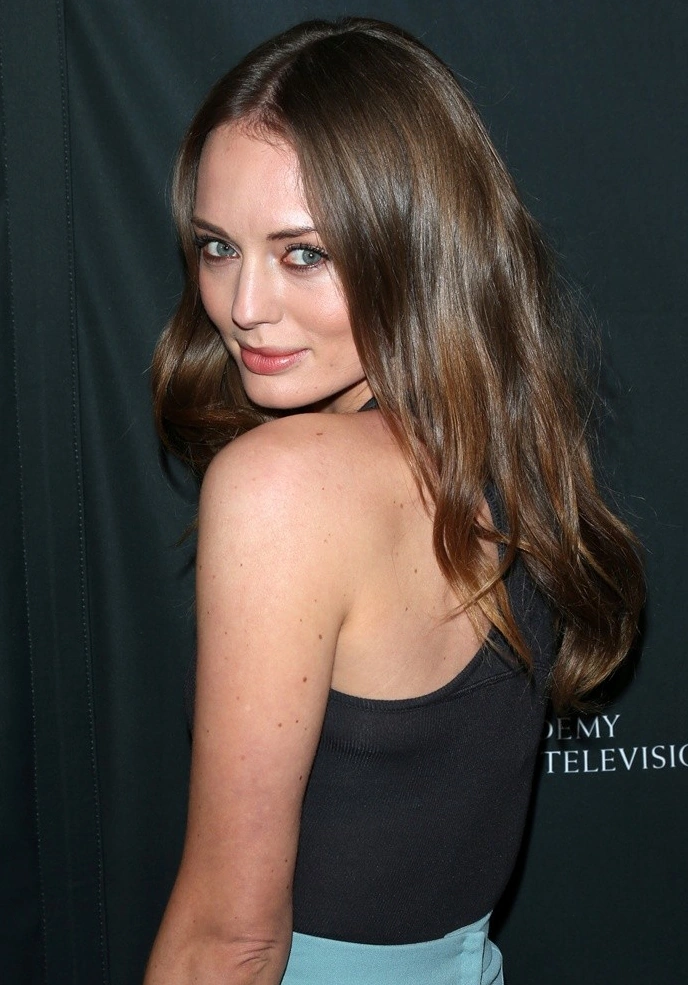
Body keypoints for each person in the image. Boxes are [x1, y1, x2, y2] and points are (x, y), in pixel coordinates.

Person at [144, 17, 643, 985]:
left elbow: (232, 944)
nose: (244, 306)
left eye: (303, 254)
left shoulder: (282, 484)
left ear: (412, 241)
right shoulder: (508, 455)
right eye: (216, 246)